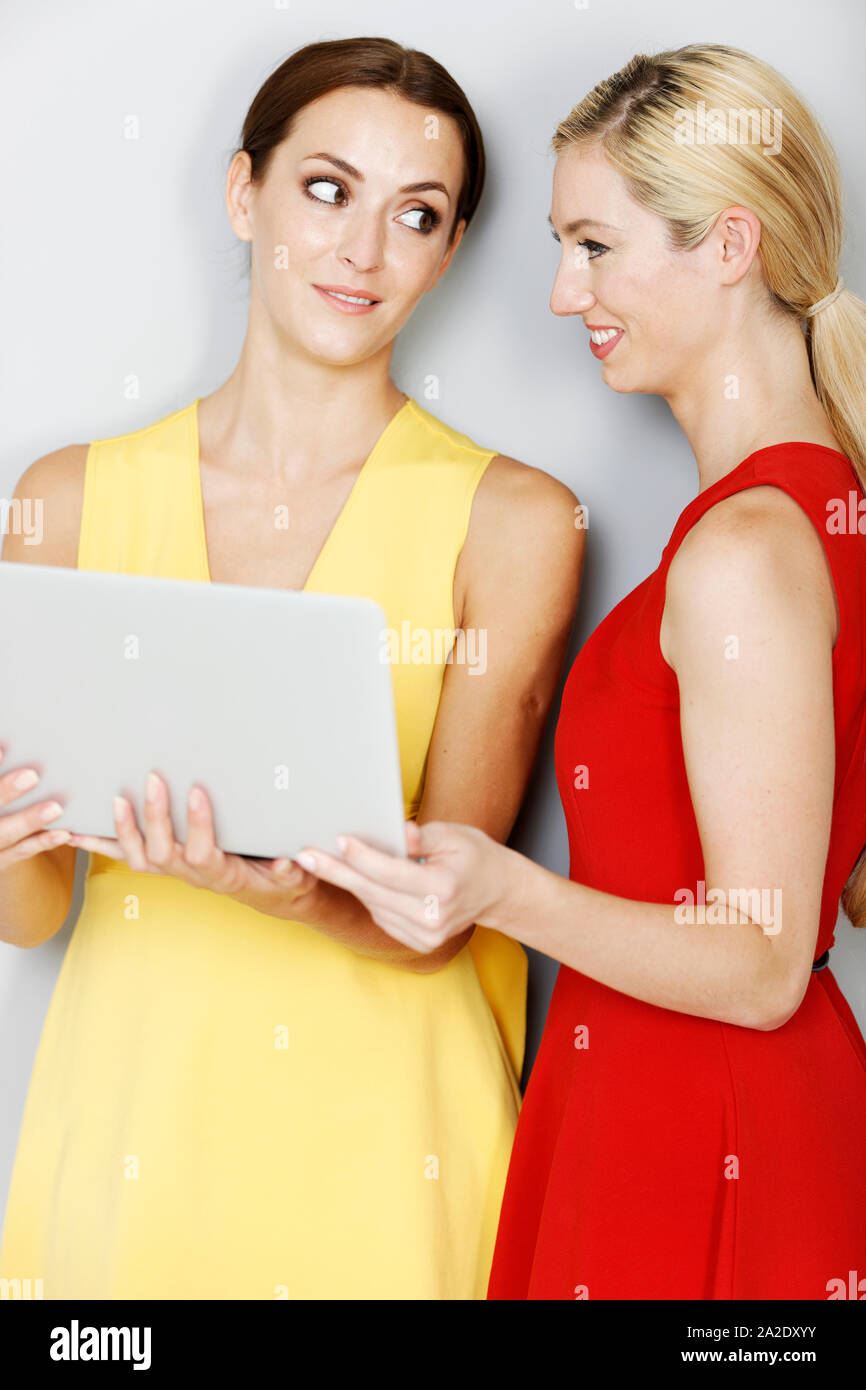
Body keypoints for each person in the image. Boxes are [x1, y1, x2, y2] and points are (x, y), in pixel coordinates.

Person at [0, 36, 584, 1299]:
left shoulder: (515, 520)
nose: (361, 252)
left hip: (391, 1146)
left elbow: (436, 921)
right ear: (242, 193)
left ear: (448, 249)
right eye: (326, 190)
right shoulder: (64, 499)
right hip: (134, 1122)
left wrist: (261, 885)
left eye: (413, 215)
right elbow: (35, 909)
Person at [295, 43, 866, 1299]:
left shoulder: (746, 549)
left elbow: (763, 964)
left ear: (728, 245)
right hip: (667, 1101)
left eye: (594, 245)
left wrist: (496, 889)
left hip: (701, 1118)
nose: (562, 293)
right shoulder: (806, 518)